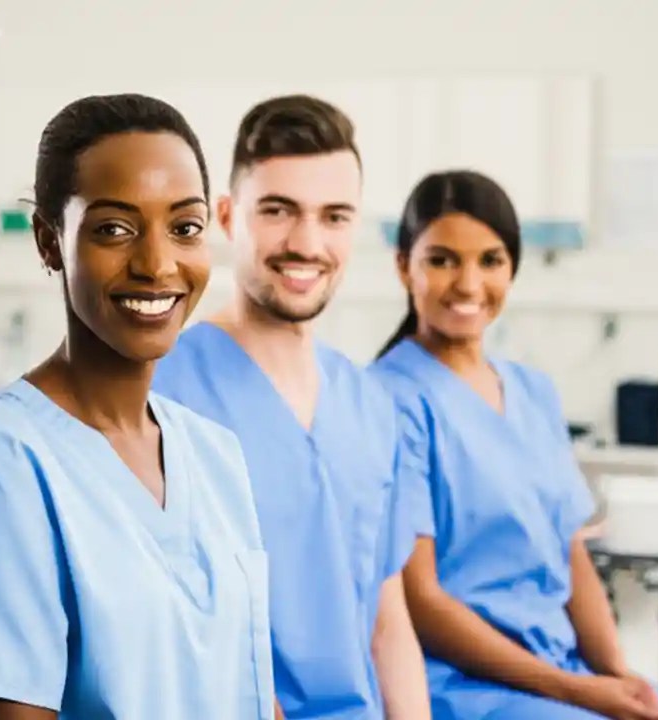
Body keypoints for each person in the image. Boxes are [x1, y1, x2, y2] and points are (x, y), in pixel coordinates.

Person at [0, 93, 278, 720]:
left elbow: (249, 691)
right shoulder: (1, 466)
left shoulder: (214, 454)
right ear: (50, 241)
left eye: (184, 228)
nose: (157, 263)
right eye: (114, 228)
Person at [370, 170, 658, 720]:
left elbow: (572, 556)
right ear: (404, 265)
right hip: (465, 685)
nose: (469, 284)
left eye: (491, 260)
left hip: (562, 669)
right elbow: (421, 600)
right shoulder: (388, 399)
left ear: (513, 269)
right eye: (442, 259)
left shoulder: (533, 391)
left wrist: (619, 677)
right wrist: (577, 692)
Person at [151, 94, 432, 719]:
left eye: (335, 217)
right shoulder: (162, 394)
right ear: (227, 216)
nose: (307, 243)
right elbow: (169, 631)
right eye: (278, 211)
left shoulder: (372, 405)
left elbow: (388, 626)